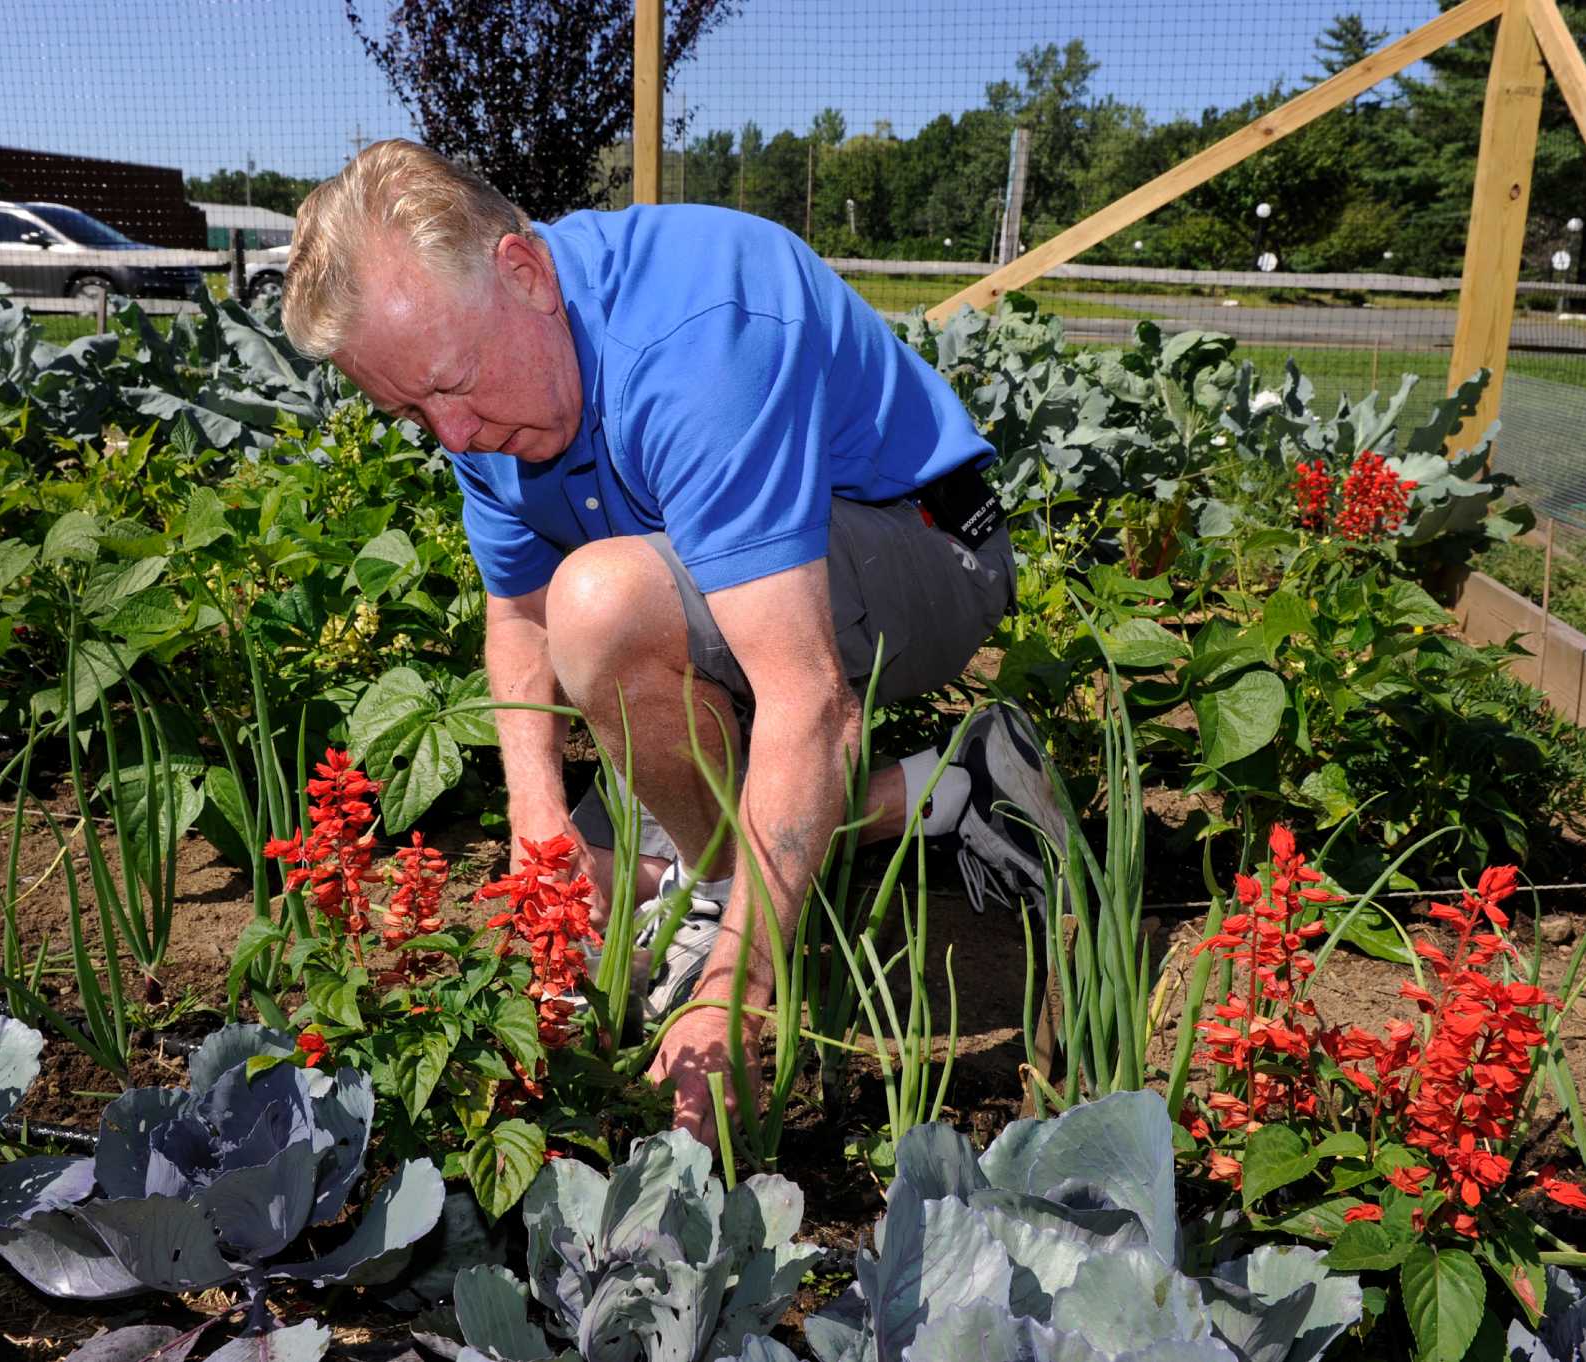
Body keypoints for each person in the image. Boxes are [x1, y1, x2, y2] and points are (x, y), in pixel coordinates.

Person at [281, 139, 1066, 1144]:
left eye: (454, 386)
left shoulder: (695, 334)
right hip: (738, 597)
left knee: (602, 604)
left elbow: (805, 702)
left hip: (925, 553)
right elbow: (516, 612)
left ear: (521, 270)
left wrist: (731, 993)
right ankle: (951, 785)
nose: (456, 436)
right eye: (411, 412)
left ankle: (732, 910)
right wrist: (536, 823)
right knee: (588, 888)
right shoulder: (475, 381)